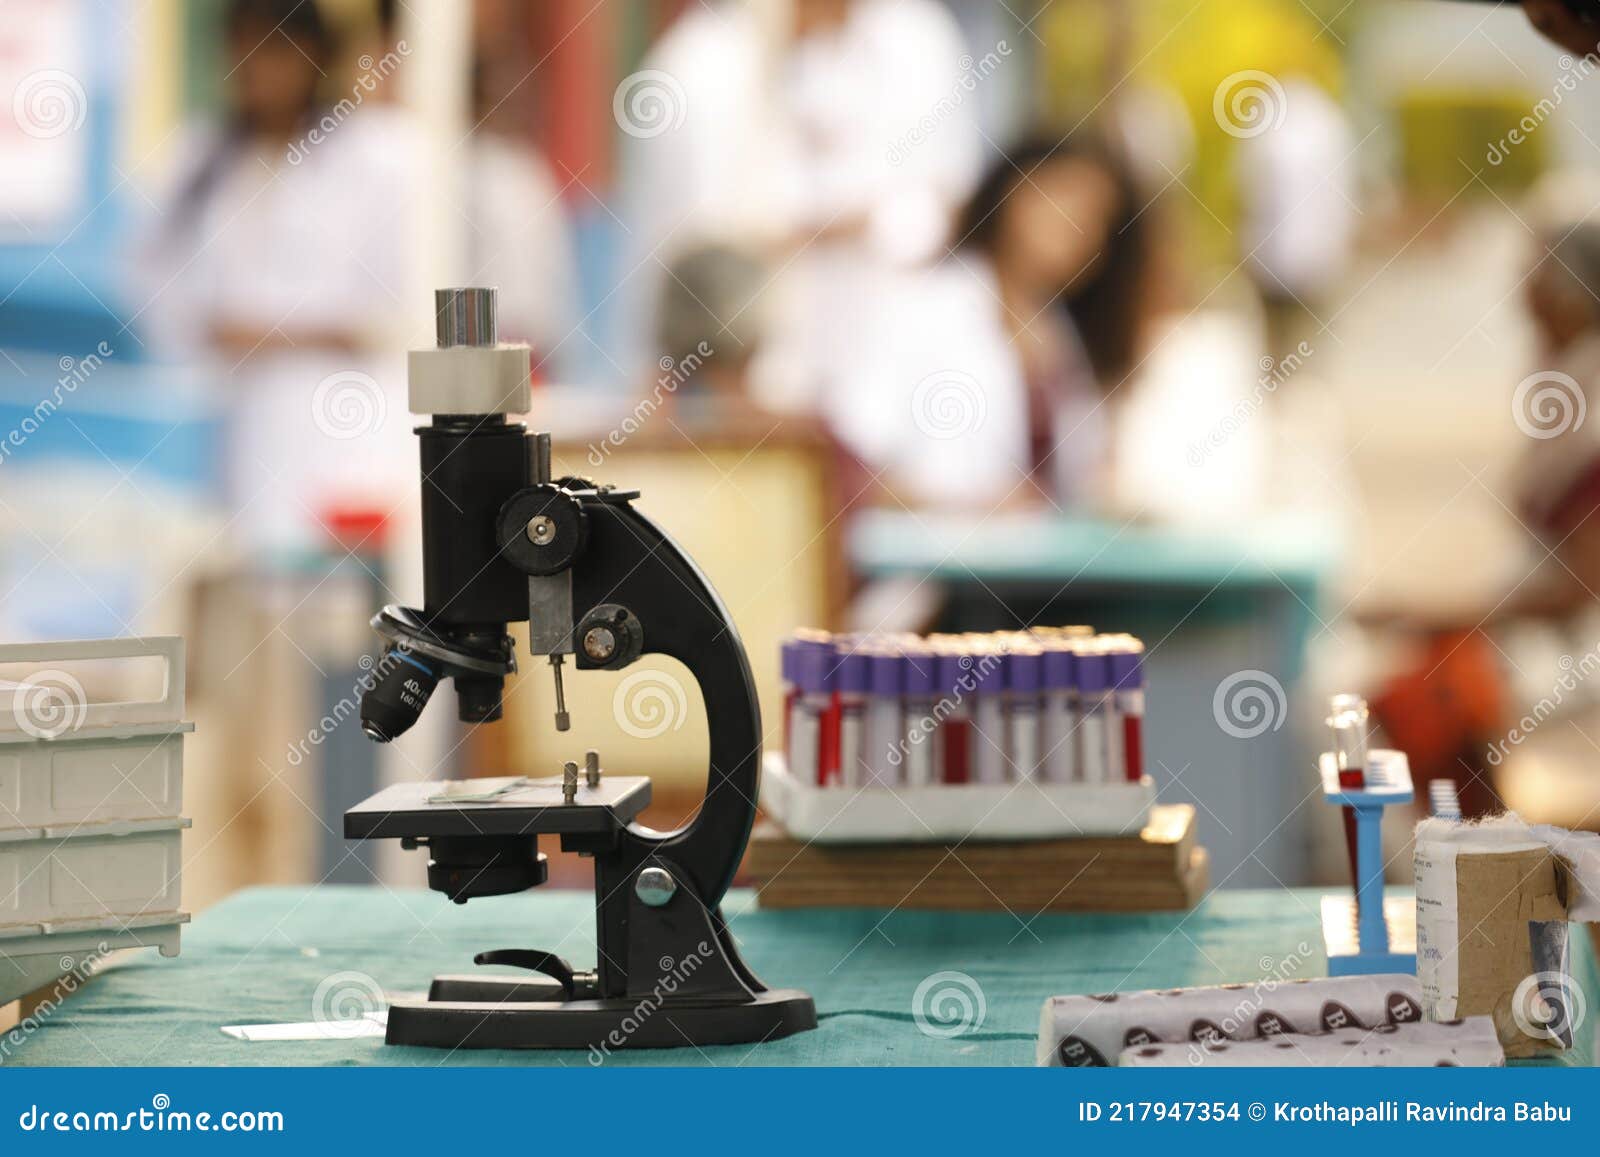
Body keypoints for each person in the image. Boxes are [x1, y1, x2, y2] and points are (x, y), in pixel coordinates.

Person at [136, 0, 414, 557]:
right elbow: (157, 291)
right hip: (236, 428)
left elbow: (393, 308)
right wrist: (230, 334)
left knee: (340, 601)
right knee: (243, 584)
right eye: (242, 49)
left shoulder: (380, 156)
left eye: (273, 50)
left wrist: (268, 334)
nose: (254, 67)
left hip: (347, 428)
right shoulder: (198, 159)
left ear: (312, 58)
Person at [824, 133, 1153, 510]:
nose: (1082, 229)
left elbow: (1073, 485)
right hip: (931, 562)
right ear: (1013, 194)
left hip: (1036, 565)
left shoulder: (1063, 336)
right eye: (1068, 201)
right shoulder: (924, 309)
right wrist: (967, 508)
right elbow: (847, 471)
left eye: (1099, 220)